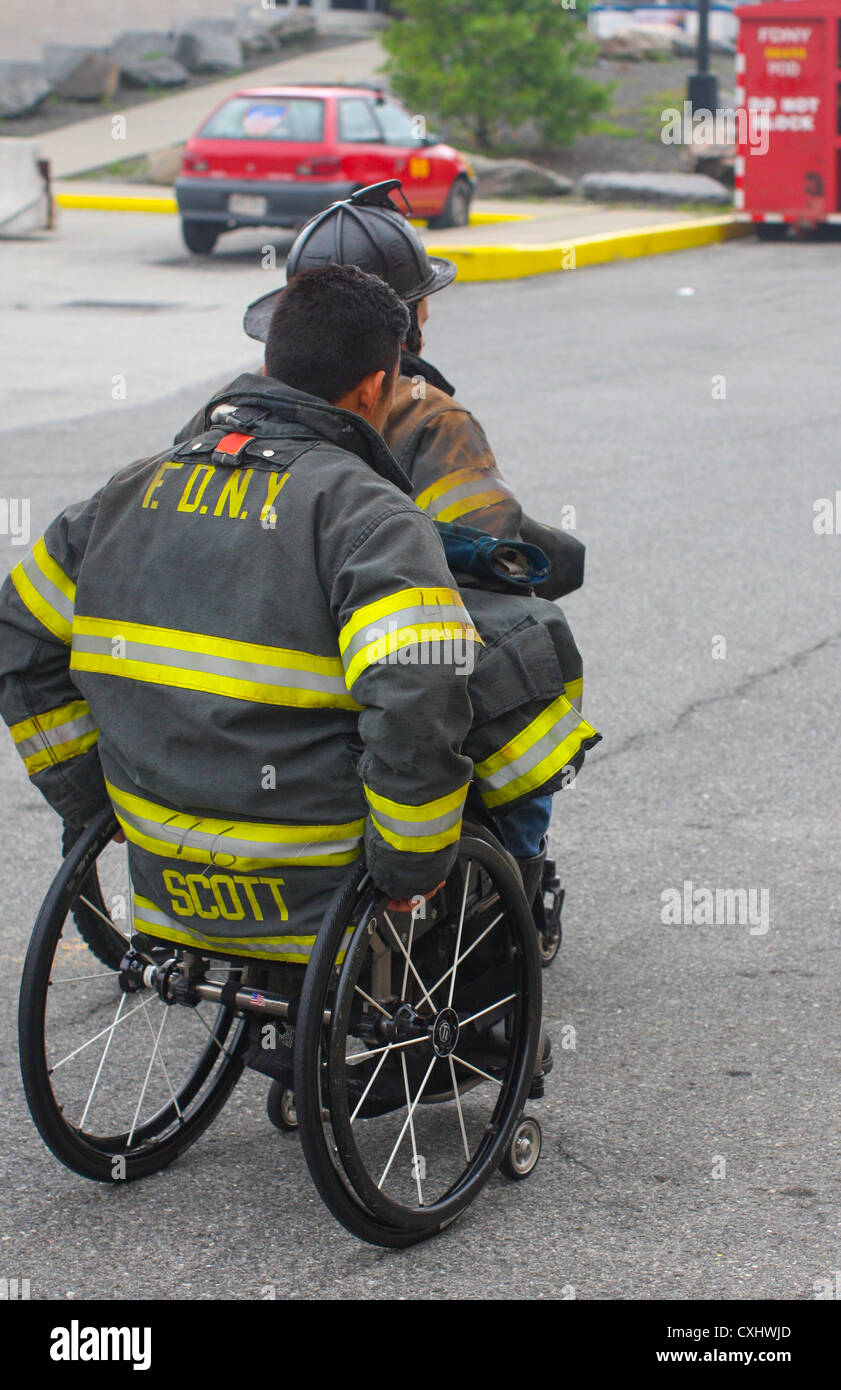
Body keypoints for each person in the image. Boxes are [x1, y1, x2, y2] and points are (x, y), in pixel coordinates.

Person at [0, 266, 481, 958]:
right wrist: (409, 867)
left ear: (268, 363)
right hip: (313, 880)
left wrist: (91, 799)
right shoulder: (371, 517)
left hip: (161, 858)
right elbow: (419, 694)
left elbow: (20, 638)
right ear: (377, 386)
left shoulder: (128, 493)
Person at [174, 182, 597, 947]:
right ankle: (518, 887)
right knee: (532, 663)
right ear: (400, 334)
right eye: (423, 313)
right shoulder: (425, 412)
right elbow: (483, 539)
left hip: (236, 672)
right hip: (368, 657)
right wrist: (544, 557)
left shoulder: (231, 416)